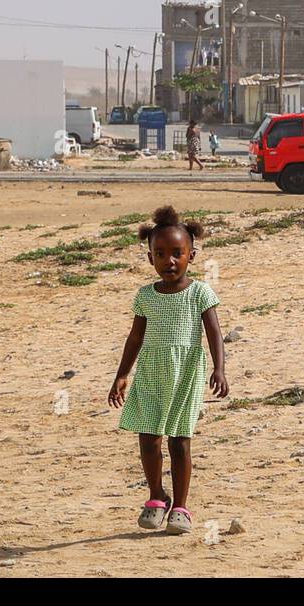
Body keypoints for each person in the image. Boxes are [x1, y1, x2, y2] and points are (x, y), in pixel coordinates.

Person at [108, 206, 228, 535]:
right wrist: (122, 375)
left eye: (177, 254)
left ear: (192, 254)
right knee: (148, 438)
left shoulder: (200, 292)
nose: (169, 261)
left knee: (179, 441)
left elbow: (214, 333)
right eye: (160, 254)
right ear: (150, 259)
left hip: (185, 373)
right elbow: (135, 338)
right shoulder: (145, 296)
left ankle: (181, 507)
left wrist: (219, 368)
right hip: (151, 373)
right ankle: (156, 496)